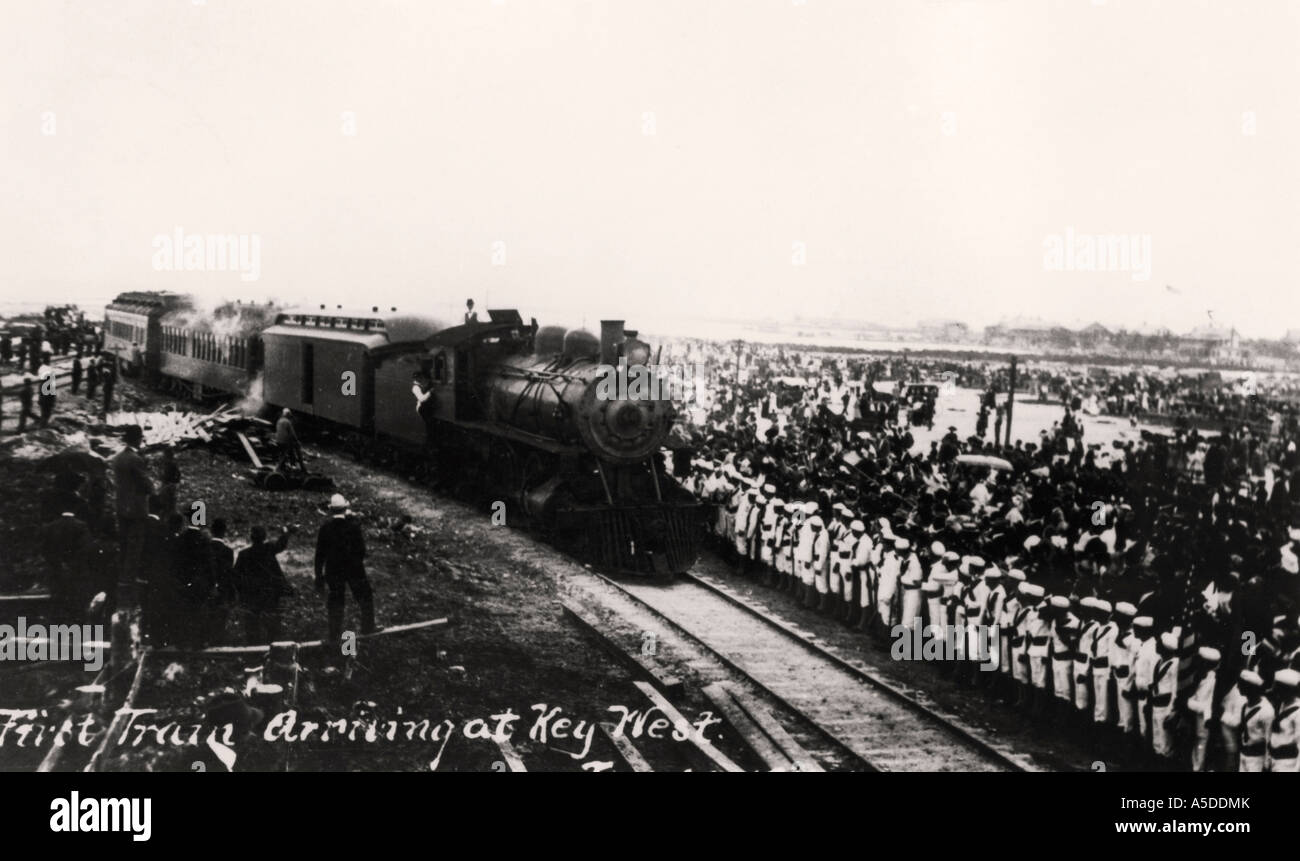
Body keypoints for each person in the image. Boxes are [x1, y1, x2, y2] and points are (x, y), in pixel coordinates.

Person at [314, 494, 375, 656]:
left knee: (336, 602)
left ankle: (334, 635)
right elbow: (361, 550)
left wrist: (318, 576)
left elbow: (319, 555)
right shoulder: (354, 526)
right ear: (345, 508)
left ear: (331, 510)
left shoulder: (325, 528)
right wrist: (355, 563)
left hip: (334, 571)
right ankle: (368, 629)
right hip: (354, 569)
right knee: (365, 598)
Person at [233, 525, 294, 644]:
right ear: (264, 537)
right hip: (269, 592)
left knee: (252, 623)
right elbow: (281, 545)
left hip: (252, 594)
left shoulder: (243, 554)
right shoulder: (269, 548)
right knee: (271, 621)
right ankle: (271, 644)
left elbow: (236, 576)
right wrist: (286, 533)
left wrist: (242, 593)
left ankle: (253, 646)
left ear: (251, 537)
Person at [111, 425, 153, 595]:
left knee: (123, 542)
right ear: (138, 438)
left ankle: (121, 577)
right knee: (135, 545)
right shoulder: (136, 459)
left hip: (122, 505)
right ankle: (129, 581)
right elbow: (145, 484)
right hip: (136, 508)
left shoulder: (118, 457)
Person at [36, 362, 56, 426]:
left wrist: (40, 400)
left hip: (43, 402)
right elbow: (52, 395)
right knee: (46, 414)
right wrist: (53, 402)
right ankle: (43, 425)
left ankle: (43, 424)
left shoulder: (42, 383)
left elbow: (40, 393)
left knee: (43, 413)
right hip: (47, 402)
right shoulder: (50, 384)